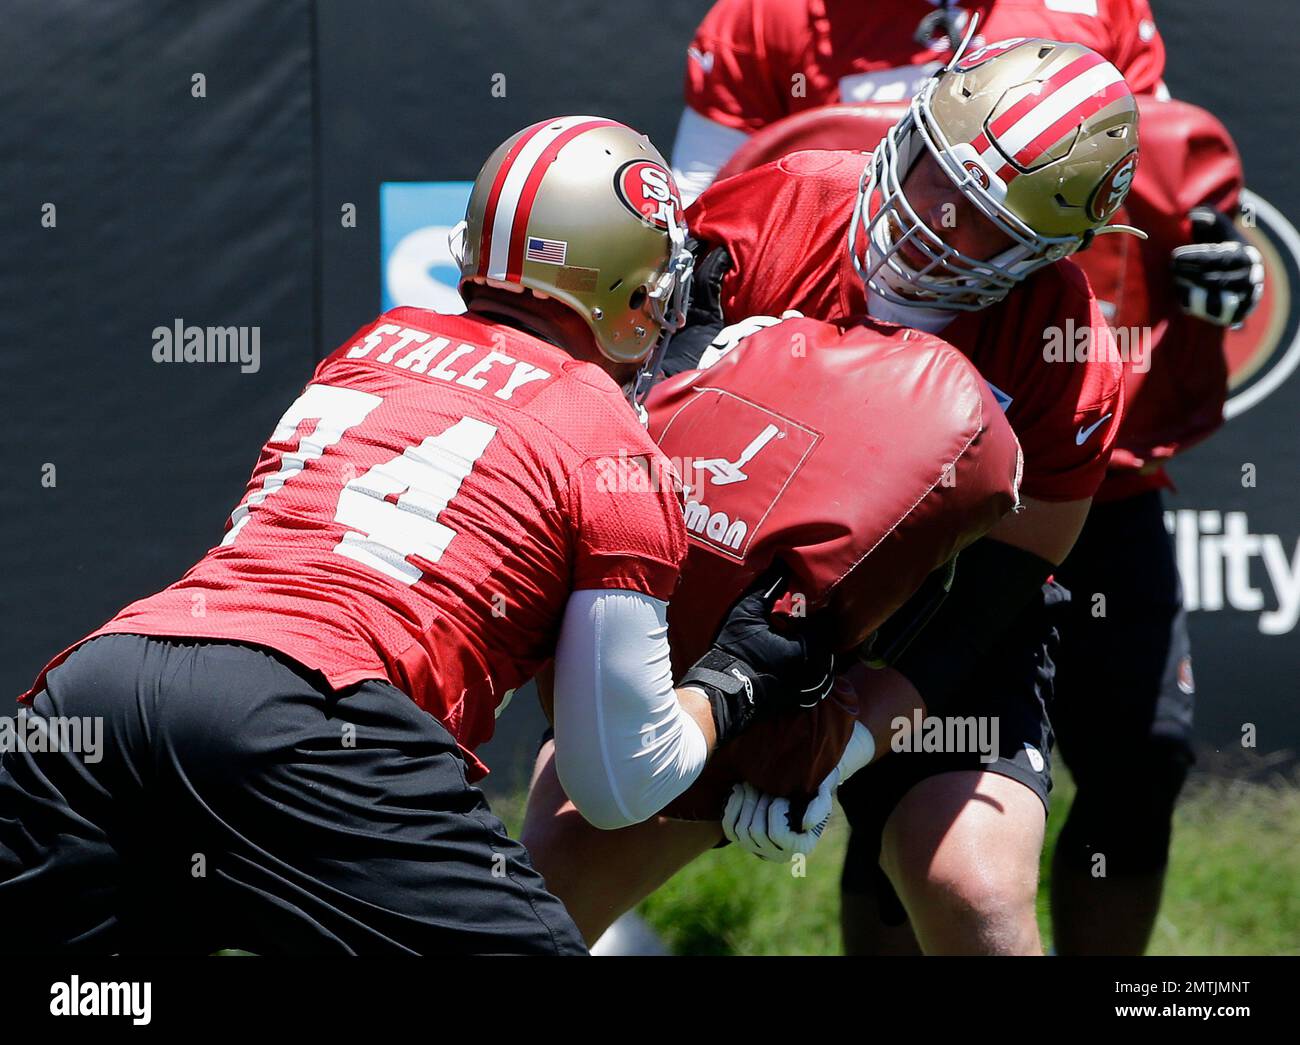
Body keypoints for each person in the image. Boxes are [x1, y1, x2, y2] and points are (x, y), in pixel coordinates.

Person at [0, 117, 833, 955]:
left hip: (100, 688)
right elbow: (618, 781)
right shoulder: (611, 444)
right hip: (311, 716)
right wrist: (734, 681)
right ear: (634, 294)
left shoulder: (373, 347)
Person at [527, 38, 1140, 955]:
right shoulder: (782, 203)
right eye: (932, 164)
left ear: (1048, 249)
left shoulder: (1065, 348)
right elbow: (630, 422)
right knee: (545, 884)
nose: (930, 213)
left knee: (975, 895)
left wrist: (846, 738)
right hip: (720, 586)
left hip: (928, 619)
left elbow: (1009, 578)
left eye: (978, 218)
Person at [670, 0, 1167, 204]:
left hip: (1046, 314)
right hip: (852, 322)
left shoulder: (1101, 6)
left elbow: (1157, 175)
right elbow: (700, 210)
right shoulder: (767, 16)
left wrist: (1199, 245)